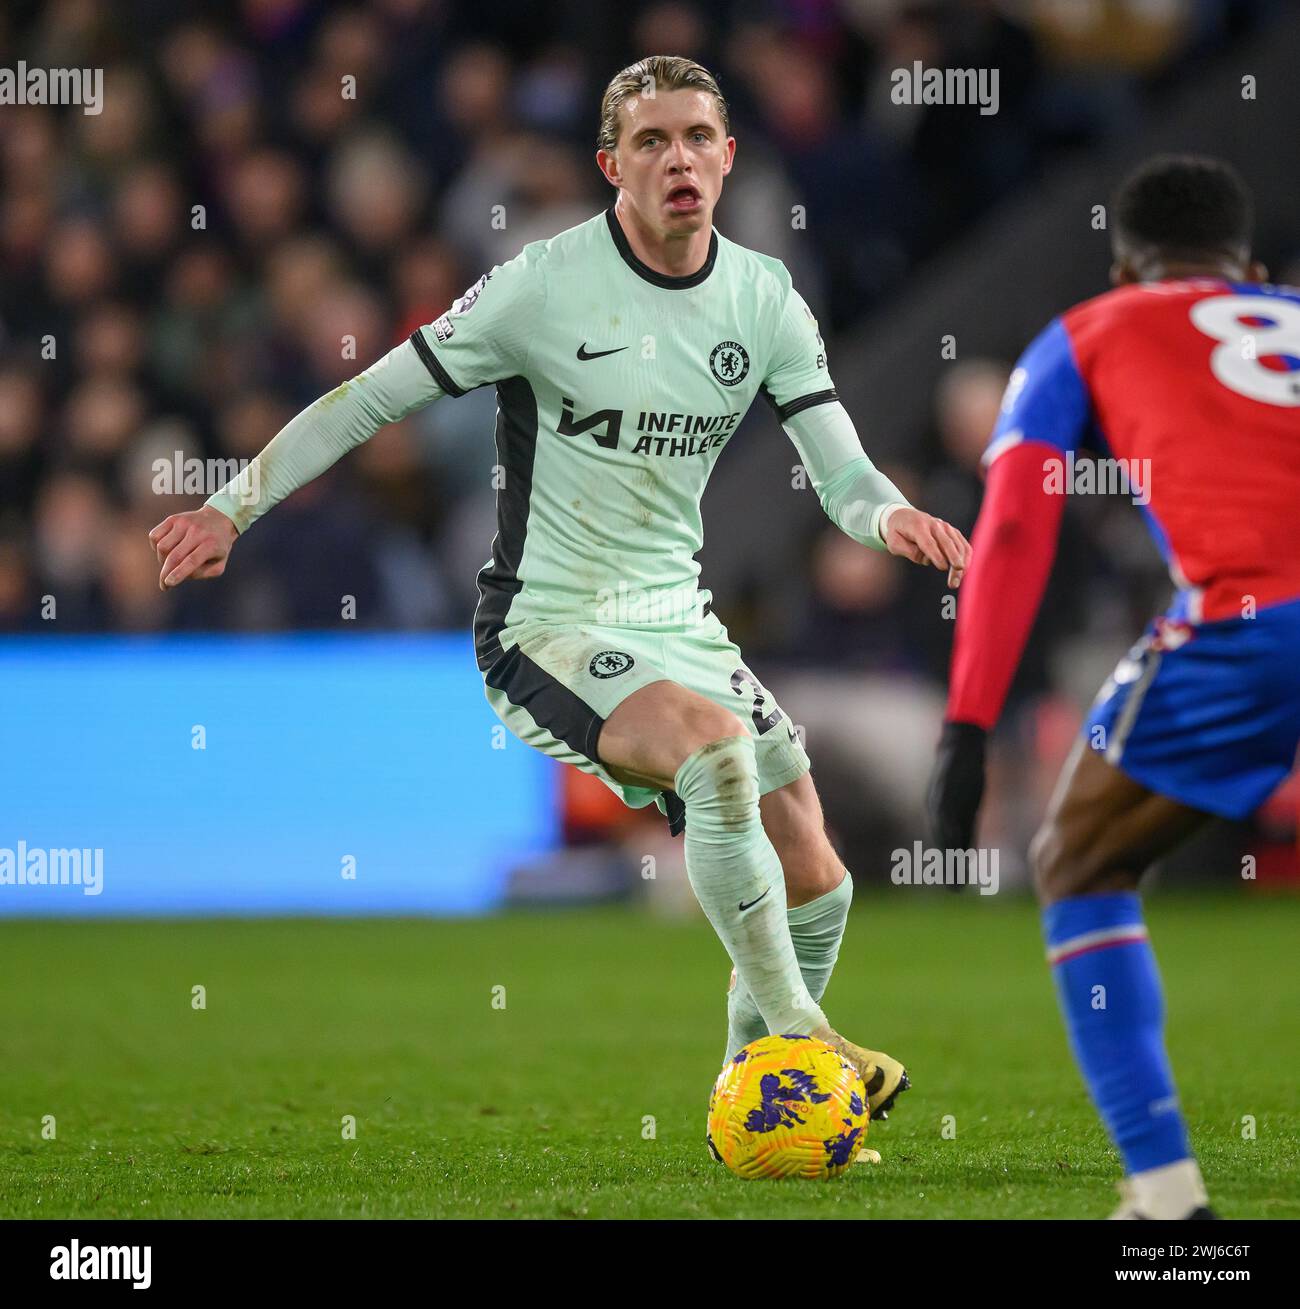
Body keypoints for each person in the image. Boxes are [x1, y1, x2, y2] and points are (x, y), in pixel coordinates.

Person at [150, 55, 969, 1126]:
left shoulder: (764, 298)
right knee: (714, 751)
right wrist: (231, 507)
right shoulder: (543, 285)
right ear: (609, 166)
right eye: (649, 142)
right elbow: (366, 399)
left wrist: (889, 515)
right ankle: (812, 1050)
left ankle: (750, 1087)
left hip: (678, 616)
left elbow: (842, 470)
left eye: (695, 138)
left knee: (819, 874)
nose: (677, 159)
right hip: (547, 624)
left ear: (727, 157)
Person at [929, 154, 1300, 1216]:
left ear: (1125, 266)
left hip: (1251, 620)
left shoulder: (1090, 330)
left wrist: (966, 725)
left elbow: (1008, 529)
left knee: (1078, 860)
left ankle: (1168, 1199)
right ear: (1252, 269)